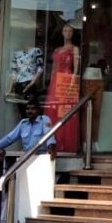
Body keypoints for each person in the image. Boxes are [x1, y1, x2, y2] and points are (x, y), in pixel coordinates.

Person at [46, 24, 80, 152]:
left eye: (70, 31)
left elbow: (76, 68)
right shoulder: (57, 50)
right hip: (56, 81)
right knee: (55, 110)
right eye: (65, 30)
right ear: (62, 32)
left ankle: (66, 143)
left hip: (66, 79)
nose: (68, 33)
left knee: (65, 109)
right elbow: (54, 67)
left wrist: (72, 82)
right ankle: (54, 142)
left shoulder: (74, 49)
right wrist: (50, 83)